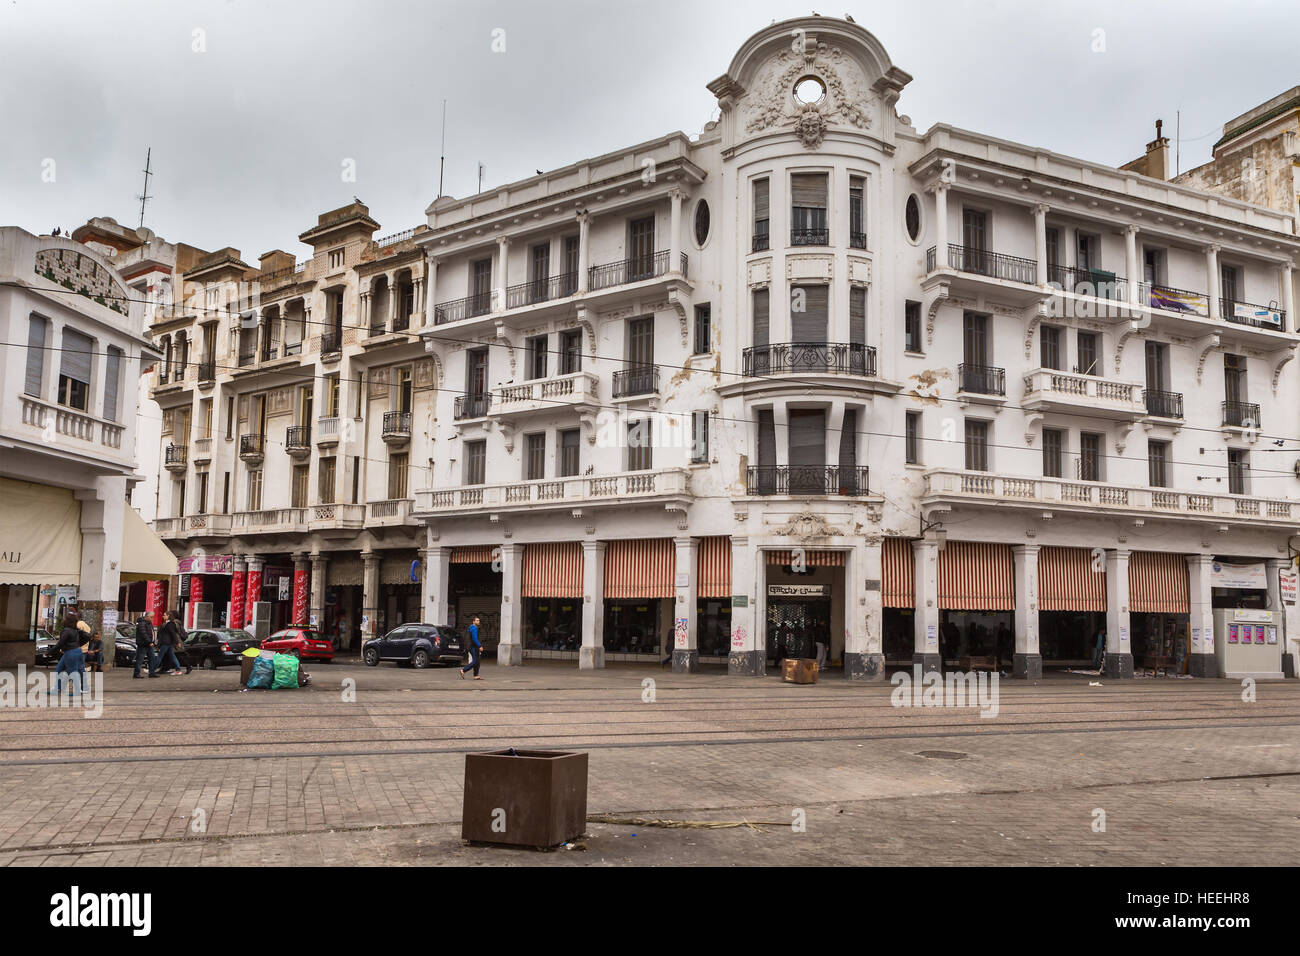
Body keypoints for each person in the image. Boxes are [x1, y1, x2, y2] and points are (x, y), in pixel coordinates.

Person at [50, 614, 88, 695]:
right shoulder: (75, 630)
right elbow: (86, 637)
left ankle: (78, 690)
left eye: (65, 618)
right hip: (78, 651)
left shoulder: (66, 630)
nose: (63, 620)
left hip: (70, 652)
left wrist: (50, 651)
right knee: (60, 668)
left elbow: (60, 643)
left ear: (67, 621)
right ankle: (58, 687)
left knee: (72, 672)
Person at [156, 610, 191, 675]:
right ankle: (171, 668)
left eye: (165, 615)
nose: (163, 616)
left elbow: (174, 633)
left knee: (175, 655)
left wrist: (177, 642)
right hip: (173, 641)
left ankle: (154, 669)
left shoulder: (172, 623)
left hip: (172, 641)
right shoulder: (175, 623)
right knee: (173, 655)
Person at [133, 613, 158, 678]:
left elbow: (151, 633)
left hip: (149, 644)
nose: (152, 619)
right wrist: (149, 642)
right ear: (147, 617)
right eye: (151, 617)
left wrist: (153, 641)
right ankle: (136, 673)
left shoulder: (149, 623)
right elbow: (143, 634)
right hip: (143, 644)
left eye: (153, 617)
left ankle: (151, 673)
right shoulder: (142, 623)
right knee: (140, 659)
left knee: (152, 658)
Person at [459, 615, 483, 680]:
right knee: (475, 661)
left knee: (477, 661)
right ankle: (463, 670)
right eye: (477, 620)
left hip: (473, 646)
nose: (478, 621)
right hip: (473, 647)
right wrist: (479, 646)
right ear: (473, 621)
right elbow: (475, 638)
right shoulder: (474, 628)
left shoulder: (472, 628)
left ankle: (476, 675)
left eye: (479, 620)